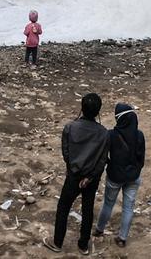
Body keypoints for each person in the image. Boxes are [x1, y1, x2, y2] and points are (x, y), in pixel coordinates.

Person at [42, 94, 108, 254]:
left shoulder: (70, 127)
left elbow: (66, 153)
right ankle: (83, 245)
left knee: (63, 207)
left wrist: (74, 170)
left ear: (82, 108)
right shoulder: (104, 133)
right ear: (98, 111)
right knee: (87, 209)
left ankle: (57, 242)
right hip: (91, 179)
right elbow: (102, 160)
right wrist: (89, 177)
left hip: (73, 175)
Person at [93, 104, 145, 248]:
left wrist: (112, 163)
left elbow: (104, 156)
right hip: (133, 177)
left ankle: (99, 229)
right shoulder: (139, 135)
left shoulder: (111, 134)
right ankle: (122, 238)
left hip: (115, 176)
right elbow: (141, 159)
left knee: (108, 203)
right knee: (128, 207)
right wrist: (134, 170)